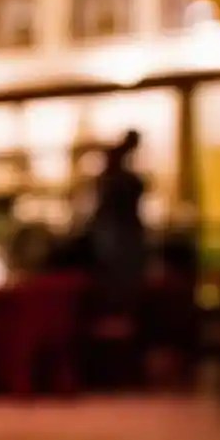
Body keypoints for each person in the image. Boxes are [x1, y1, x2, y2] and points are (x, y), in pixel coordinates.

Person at [88, 130, 146, 315]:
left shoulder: (117, 174)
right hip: (119, 233)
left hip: (118, 233)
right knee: (120, 280)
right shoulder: (120, 177)